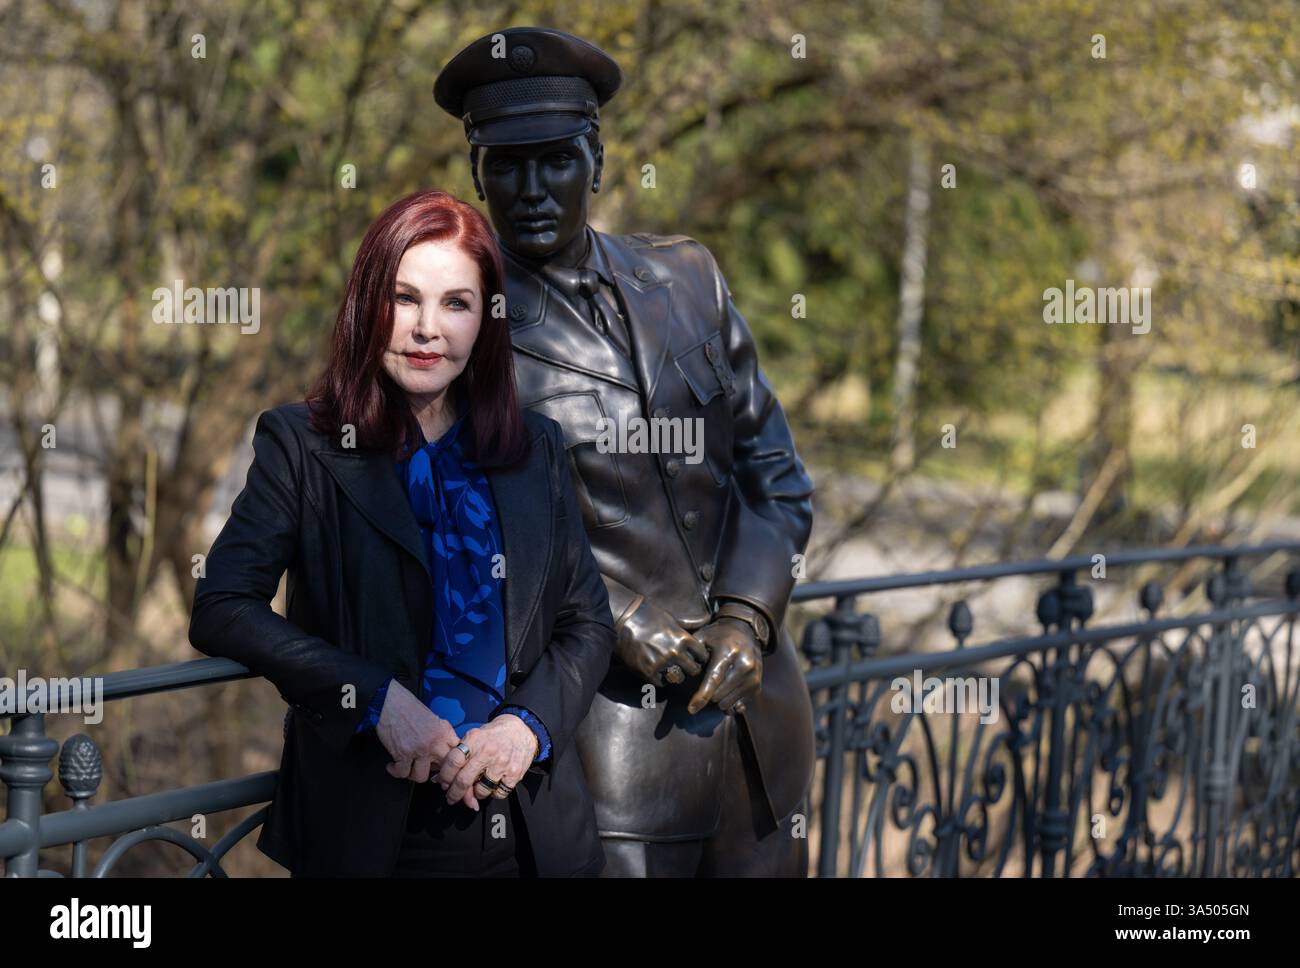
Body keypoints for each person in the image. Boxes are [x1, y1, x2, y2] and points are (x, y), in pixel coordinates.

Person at [432, 28, 817, 876]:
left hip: (759, 734)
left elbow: (776, 479)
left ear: (597, 160)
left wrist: (749, 617)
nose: (533, 189)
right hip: (611, 752)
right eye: (508, 165)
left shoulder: (689, 279)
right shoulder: (460, 331)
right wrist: (609, 615)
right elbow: (461, 534)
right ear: (477, 175)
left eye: (557, 160)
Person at [188, 189, 615, 877]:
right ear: (368, 305)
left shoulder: (535, 448)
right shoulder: (302, 444)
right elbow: (223, 607)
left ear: (486, 320)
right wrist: (373, 699)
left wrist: (524, 727)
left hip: (533, 838)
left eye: (456, 303)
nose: (427, 328)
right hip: (372, 836)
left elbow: (587, 623)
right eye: (404, 298)